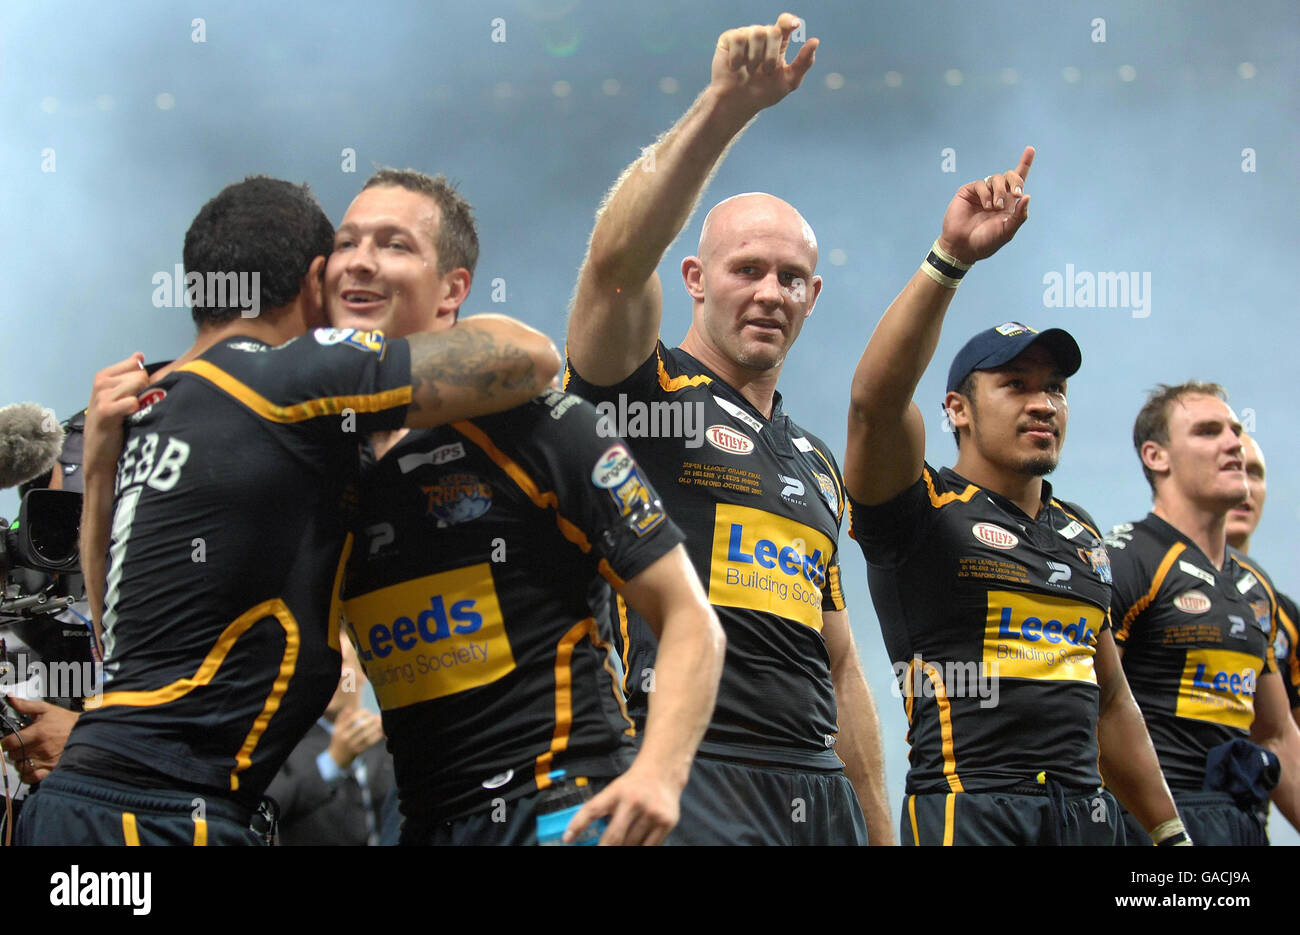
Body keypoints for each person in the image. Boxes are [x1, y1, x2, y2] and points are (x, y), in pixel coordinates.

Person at [17, 175, 560, 845]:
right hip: (162, 816)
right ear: (313, 279)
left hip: (81, 805)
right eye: (343, 252)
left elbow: (113, 639)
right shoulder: (289, 377)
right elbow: (531, 357)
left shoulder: (146, 402)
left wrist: (99, 465)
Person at [563, 14, 888, 844]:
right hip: (686, 771)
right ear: (696, 280)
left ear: (813, 298)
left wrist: (880, 829)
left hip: (816, 787)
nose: (772, 292)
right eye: (748, 269)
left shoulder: (815, 461)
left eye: (793, 277)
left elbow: (841, 665)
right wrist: (724, 110)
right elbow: (612, 263)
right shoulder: (641, 392)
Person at [328, 169, 724, 845]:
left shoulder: (537, 422)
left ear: (453, 289)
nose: (360, 260)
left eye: (394, 244)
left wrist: (659, 772)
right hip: (423, 823)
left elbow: (691, 618)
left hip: (559, 809)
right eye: (346, 242)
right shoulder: (325, 462)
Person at [842, 149, 1188, 846]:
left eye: (1055, 387)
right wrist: (950, 257)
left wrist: (1171, 836)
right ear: (957, 409)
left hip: (1089, 820)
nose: (1043, 402)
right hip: (970, 816)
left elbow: (1113, 701)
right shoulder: (919, 505)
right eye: (1016, 384)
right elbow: (875, 404)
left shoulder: (1080, 531)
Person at [1108, 383, 1300, 844]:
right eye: (1208, 431)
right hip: (1155, 822)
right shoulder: (1125, 559)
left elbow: (1274, 733)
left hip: (1240, 821)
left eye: (1235, 431)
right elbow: (1087, 713)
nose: (1233, 443)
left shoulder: (1254, 585)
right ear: (1157, 457)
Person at [266, 639, 394, 845]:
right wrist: (332, 763)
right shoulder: (284, 744)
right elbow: (268, 808)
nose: (328, 672)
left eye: (340, 662)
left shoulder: (386, 744)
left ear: (363, 671)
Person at [1225, 435, 1300, 719]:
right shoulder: (1145, 576)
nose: (1243, 487)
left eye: (1254, 473)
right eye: (1233, 469)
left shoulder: (1284, 614)